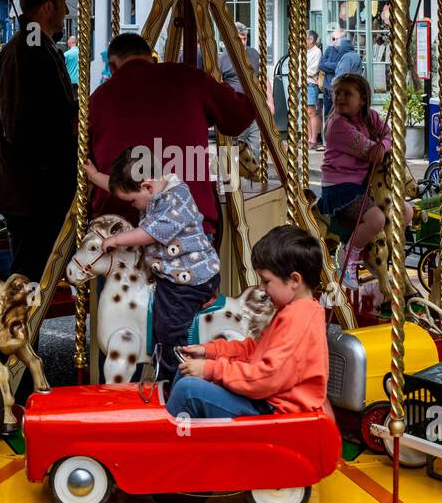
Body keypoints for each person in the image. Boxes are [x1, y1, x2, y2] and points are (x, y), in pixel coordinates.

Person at [89, 32, 256, 237]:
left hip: (120, 224)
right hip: (186, 220)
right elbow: (239, 116)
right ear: (151, 58)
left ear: (113, 67)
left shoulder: (99, 98)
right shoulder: (188, 78)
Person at [85, 146, 221, 384]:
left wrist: (116, 239)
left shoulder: (175, 201)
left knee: (168, 326)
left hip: (188, 280)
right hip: (175, 272)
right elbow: (124, 190)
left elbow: (150, 233)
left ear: (147, 186)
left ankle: (174, 378)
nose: (133, 206)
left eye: (133, 201)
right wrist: (95, 177)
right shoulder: (155, 188)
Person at [169, 225, 329, 419]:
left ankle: (164, 444)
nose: (261, 288)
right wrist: (209, 351)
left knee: (189, 390)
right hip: (264, 398)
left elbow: (266, 378)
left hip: (274, 410)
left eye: (266, 281)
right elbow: (254, 350)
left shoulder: (299, 320)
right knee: (188, 372)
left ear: (294, 280)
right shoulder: (290, 310)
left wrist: (210, 369)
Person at [0, 0, 77, 282]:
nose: (67, 11)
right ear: (47, 8)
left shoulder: (37, 47)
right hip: (33, 190)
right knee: (29, 273)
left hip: (37, 188)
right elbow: (19, 123)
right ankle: (18, 331)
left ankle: (24, 330)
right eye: (63, 4)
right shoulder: (27, 50)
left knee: (39, 272)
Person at [320, 72, 408, 289]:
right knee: (377, 218)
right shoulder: (337, 125)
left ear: (362, 100)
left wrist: (384, 144)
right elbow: (372, 153)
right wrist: (381, 145)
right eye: (337, 93)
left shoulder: (371, 117)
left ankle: (375, 251)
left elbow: (390, 135)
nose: (340, 97)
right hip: (341, 188)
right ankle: (349, 255)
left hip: (363, 184)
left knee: (405, 211)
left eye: (347, 94)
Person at [217, 23, 263, 158]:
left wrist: (269, 100)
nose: (242, 42)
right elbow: (217, 85)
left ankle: (251, 177)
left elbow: (262, 78)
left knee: (255, 148)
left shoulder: (253, 54)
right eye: (239, 39)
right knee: (232, 149)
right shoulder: (222, 59)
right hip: (234, 110)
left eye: (244, 38)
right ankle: (230, 177)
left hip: (252, 107)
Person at [304, 30, 323, 149]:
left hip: (311, 84)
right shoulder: (304, 51)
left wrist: (302, 72)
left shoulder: (317, 52)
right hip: (303, 82)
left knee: (312, 112)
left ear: (311, 40)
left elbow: (312, 70)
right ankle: (309, 137)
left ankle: (314, 139)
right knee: (305, 112)